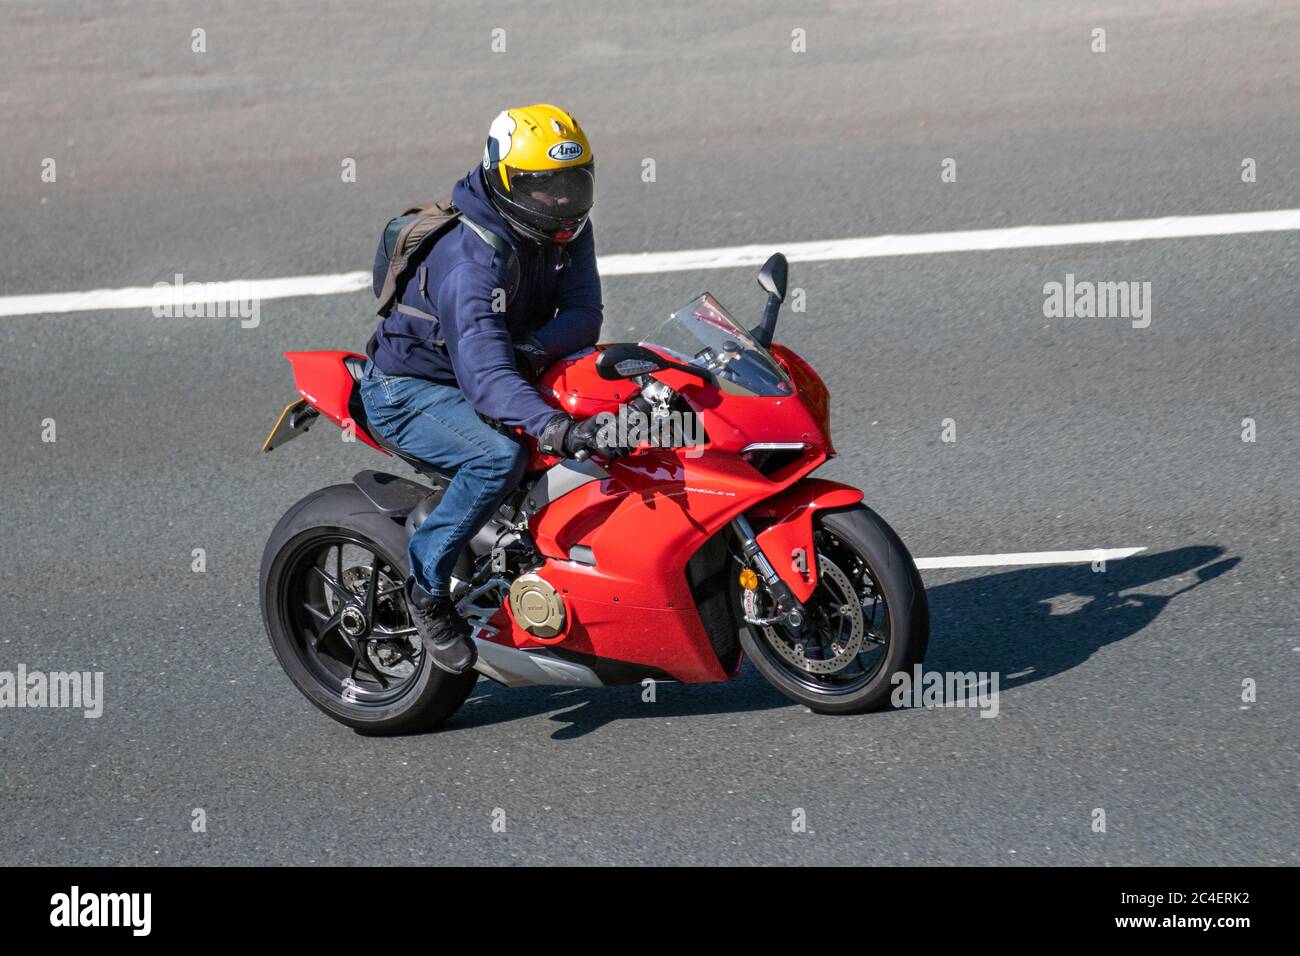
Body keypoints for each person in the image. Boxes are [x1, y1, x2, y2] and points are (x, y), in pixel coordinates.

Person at [360, 104, 624, 675]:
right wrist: (554, 425)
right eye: (543, 187)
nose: (560, 199)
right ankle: (426, 589)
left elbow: (585, 313)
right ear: (504, 181)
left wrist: (529, 353)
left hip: (503, 361)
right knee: (499, 457)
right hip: (412, 390)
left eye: (572, 183)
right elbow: (486, 381)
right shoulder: (470, 260)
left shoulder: (564, 226)